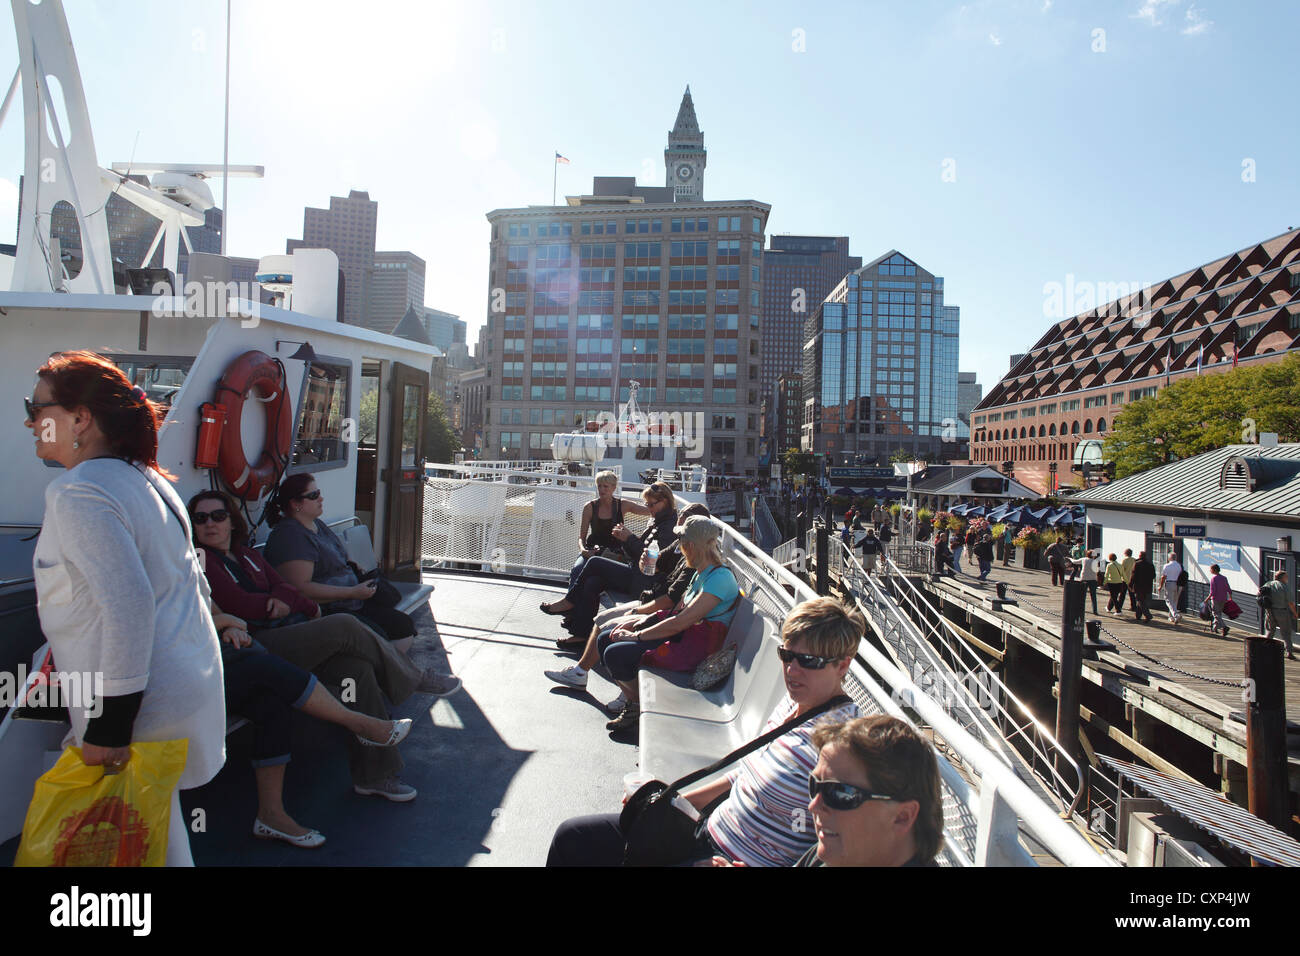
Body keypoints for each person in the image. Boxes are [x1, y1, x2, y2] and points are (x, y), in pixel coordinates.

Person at [24, 351, 225, 865]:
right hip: (183, 689)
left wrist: (111, 726)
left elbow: (129, 605)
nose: (30, 421)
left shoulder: (78, 491)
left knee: (128, 837)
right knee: (155, 828)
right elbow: (189, 589)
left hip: (137, 711)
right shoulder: (149, 479)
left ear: (80, 419)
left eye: (38, 407)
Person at [545, 596, 863, 866]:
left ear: (842, 666)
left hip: (730, 857)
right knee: (572, 839)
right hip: (705, 832)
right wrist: (673, 803)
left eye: (808, 660)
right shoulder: (793, 703)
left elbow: (837, 852)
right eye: (787, 655)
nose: (792, 670)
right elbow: (745, 775)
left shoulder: (842, 747)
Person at [190, 489, 445, 802]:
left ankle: (375, 776)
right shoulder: (202, 561)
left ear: (231, 520)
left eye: (218, 516)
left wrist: (282, 601)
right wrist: (277, 603)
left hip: (290, 632)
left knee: (357, 670)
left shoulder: (246, 555)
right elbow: (236, 604)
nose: (209, 524)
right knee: (344, 626)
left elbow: (284, 586)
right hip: (257, 647)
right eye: (200, 519)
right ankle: (412, 678)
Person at [209, 603, 411, 846]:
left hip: (227, 651)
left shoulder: (189, 570)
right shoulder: (161, 572)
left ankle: (271, 816)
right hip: (189, 677)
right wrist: (226, 621)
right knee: (274, 667)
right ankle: (363, 724)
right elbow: (177, 629)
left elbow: (217, 612)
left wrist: (229, 624)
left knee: (275, 703)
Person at [546, 515, 739, 731]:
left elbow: (680, 621)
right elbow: (674, 614)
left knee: (615, 654)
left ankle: (638, 706)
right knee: (604, 639)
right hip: (681, 637)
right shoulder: (701, 573)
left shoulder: (719, 579)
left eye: (682, 544)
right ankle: (635, 704)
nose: (680, 548)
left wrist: (636, 636)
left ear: (691, 546)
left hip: (693, 648)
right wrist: (638, 622)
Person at [264, 473, 419, 655]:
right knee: (380, 636)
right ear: (295, 504)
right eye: (313, 496)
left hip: (351, 602)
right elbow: (300, 589)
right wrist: (352, 592)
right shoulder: (291, 536)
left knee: (402, 625)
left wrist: (352, 569)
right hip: (329, 611)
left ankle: (389, 672)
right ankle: (390, 673)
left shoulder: (316, 524)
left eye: (318, 493)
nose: (321, 498)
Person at [793, 715, 943, 867]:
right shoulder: (833, 856)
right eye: (815, 785)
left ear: (902, 816)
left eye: (840, 793)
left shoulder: (840, 852)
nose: (813, 806)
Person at [540, 481, 678, 639]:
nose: (649, 509)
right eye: (647, 505)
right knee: (593, 582)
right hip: (637, 574)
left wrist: (629, 538)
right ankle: (581, 634)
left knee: (595, 563)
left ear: (665, 501)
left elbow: (655, 560)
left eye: (651, 505)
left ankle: (569, 602)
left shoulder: (669, 526)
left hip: (644, 582)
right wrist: (624, 539)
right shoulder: (658, 519)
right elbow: (639, 552)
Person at [569, 470, 651, 588]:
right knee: (577, 570)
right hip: (592, 552)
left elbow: (649, 510)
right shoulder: (589, 507)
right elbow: (581, 538)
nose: (602, 490)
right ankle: (570, 603)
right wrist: (583, 551)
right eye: (599, 486)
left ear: (613, 487)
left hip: (614, 553)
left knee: (595, 581)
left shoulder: (622, 505)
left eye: (605, 486)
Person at [1260, 570, 1297, 660]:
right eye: (1286, 577)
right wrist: (1295, 613)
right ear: (1282, 578)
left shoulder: (1268, 584)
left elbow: (1259, 595)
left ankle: (1264, 650)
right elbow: (1290, 603)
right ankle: (1289, 652)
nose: (1287, 578)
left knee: (1270, 631)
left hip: (1269, 611)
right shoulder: (1284, 586)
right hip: (1282, 611)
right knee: (1286, 633)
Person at [1206, 563, 1232, 638]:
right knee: (1219, 614)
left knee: (1215, 614)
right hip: (1224, 598)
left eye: (1210, 569)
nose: (1210, 570)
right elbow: (1228, 589)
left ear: (1214, 570)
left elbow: (1212, 592)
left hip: (1215, 599)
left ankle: (1224, 627)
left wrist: (1206, 599)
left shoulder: (1213, 579)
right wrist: (1230, 597)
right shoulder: (1224, 578)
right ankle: (1215, 628)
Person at [1157, 553, 1185, 625]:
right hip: (1177, 584)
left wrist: (1160, 586)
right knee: (1174, 601)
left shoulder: (1167, 566)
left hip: (1169, 583)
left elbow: (1163, 577)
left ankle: (1176, 615)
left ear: (1169, 558)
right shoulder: (1179, 566)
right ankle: (1171, 617)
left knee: (1168, 600)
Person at [1082, 549, 1102, 615]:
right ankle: (1095, 610)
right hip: (1093, 580)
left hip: (1084, 579)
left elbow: (1075, 561)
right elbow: (1097, 570)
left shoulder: (1084, 559)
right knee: (1093, 596)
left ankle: (1081, 609)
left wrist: (1070, 559)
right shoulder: (1095, 562)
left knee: (1083, 595)